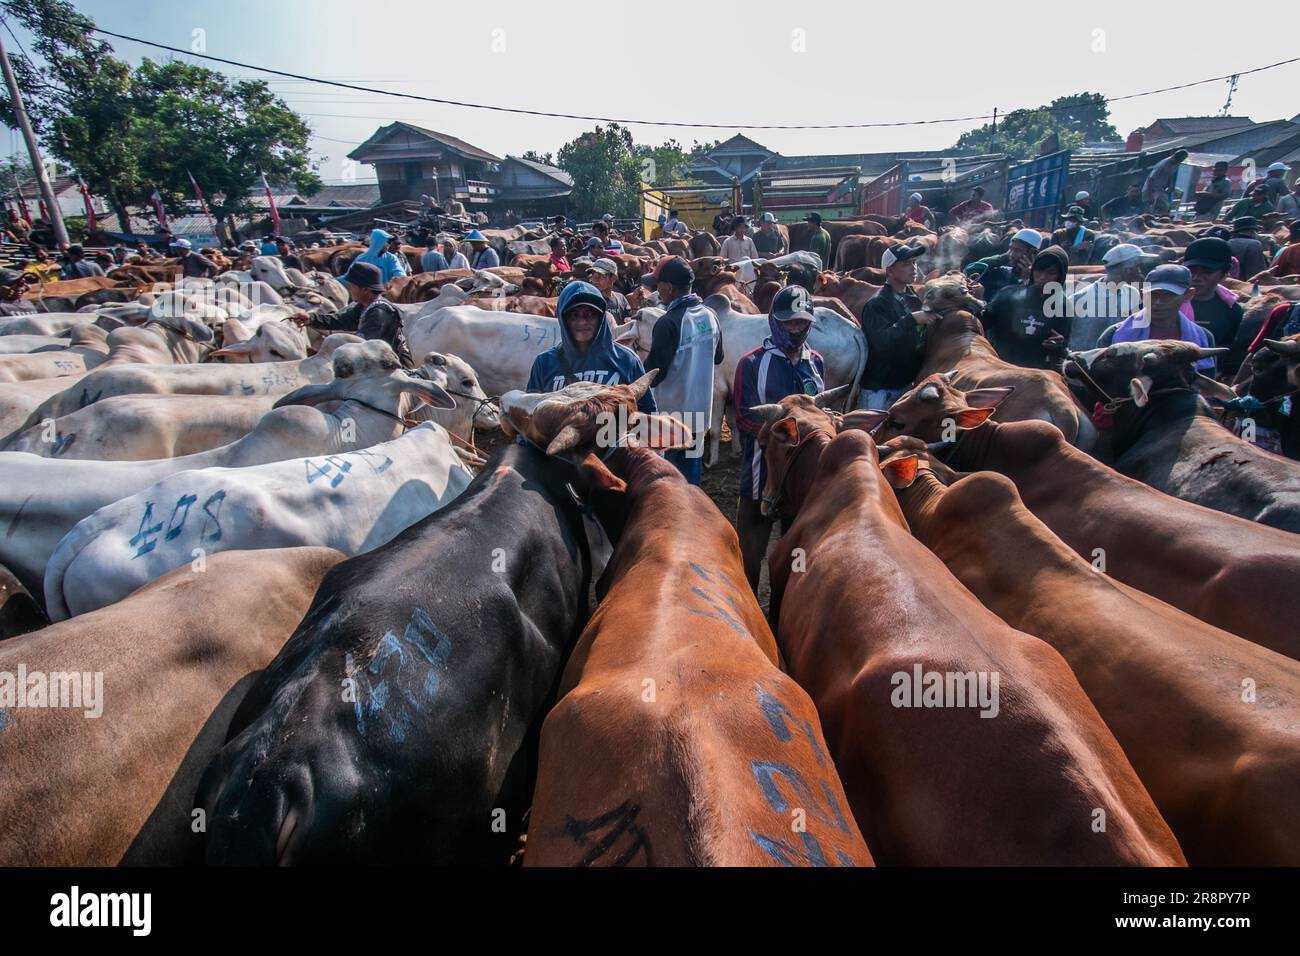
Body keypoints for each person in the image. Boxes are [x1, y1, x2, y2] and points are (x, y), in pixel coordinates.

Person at [733, 284, 825, 591]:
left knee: (796, 550)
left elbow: (819, 412)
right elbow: (744, 416)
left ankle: (786, 603)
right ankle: (747, 607)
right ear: (774, 321)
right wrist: (782, 432)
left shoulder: (816, 362)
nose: (796, 329)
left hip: (802, 481)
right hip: (760, 473)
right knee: (751, 551)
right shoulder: (752, 363)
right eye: (789, 322)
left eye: (802, 322)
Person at [644, 256, 723, 485]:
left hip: (670, 418)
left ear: (668, 288)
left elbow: (654, 376)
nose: (657, 290)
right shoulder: (711, 316)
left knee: (668, 476)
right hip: (699, 414)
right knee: (691, 473)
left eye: (658, 285)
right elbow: (718, 357)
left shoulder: (668, 322)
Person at [526, 279, 654, 409]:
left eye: (590, 315)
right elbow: (530, 416)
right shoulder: (545, 363)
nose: (582, 322)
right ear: (563, 319)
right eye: (574, 315)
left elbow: (648, 415)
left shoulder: (626, 360)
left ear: (601, 318)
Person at [1098, 264, 1217, 373]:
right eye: (1153, 295)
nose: (1158, 302)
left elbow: (1207, 388)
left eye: (1168, 295)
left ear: (1188, 295)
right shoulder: (1114, 334)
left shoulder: (1203, 338)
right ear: (1142, 295)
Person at [297, 261, 413, 367]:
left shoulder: (379, 312)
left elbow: (363, 345)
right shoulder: (364, 306)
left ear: (365, 290)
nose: (349, 288)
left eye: (353, 285)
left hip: (395, 369)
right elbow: (340, 320)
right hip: (377, 366)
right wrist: (310, 319)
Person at [859, 242, 928, 409]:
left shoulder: (912, 298)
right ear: (889, 270)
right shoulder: (876, 304)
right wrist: (911, 320)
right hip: (881, 390)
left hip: (905, 386)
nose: (913, 268)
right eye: (906, 264)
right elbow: (882, 342)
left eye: (914, 262)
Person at [983, 245, 1071, 368]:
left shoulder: (1063, 307)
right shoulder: (1008, 294)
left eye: (1051, 273)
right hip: (999, 367)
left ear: (1061, 276)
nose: (1042, 277)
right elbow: (983, 322)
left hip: (1034, 374)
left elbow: (1063, 345)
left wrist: (1059, 345)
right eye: (1039, 270)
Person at [1182, 236, 1247, 377]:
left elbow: (1230, 352)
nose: (1197, 277)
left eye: (1207, 272)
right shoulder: (1166, 302)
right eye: (1192, 271)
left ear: (1224, 274)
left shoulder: (1232, 311)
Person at [1067, 243, 1150, 350]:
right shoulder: (1078, 299)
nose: (1140, 272)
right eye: (1138, 267)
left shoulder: (1133, 293)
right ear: (1127, 269)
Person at [963, 227, 1042, 302]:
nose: (1011, 254)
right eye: (1010, 249)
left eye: (1017, 250)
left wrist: (1027, 280)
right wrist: (1003, 257)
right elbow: (970, 270)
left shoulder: (1040, 280)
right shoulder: (1001, 272)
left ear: (1033, 254)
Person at [1142, 150, 1188, 215]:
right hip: (1150, 189)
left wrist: (1171, 185)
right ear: (1174, 157)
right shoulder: (1162, 165)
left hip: (1161, 189)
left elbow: (1170, 175)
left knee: (1165, 209)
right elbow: (1150, 179)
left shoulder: (1176, 164)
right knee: (1149, 212)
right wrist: (1150, 195)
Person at [587, 257, 630, 322]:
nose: (594, 280)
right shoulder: (588, 300)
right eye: (593, 275)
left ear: (613, 278)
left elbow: (628, 323)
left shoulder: (621, 299)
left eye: (600, 276)